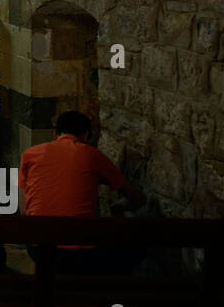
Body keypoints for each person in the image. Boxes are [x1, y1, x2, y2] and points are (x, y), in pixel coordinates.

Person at [19, 111, 147, 275]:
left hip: (37, 247)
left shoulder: (30, 154)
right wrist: (119, 208)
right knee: (137, 246)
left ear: (55, 133)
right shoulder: (91, 155)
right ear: (86, 136)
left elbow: (23, 210)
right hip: (78, 251)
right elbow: (134, 196)